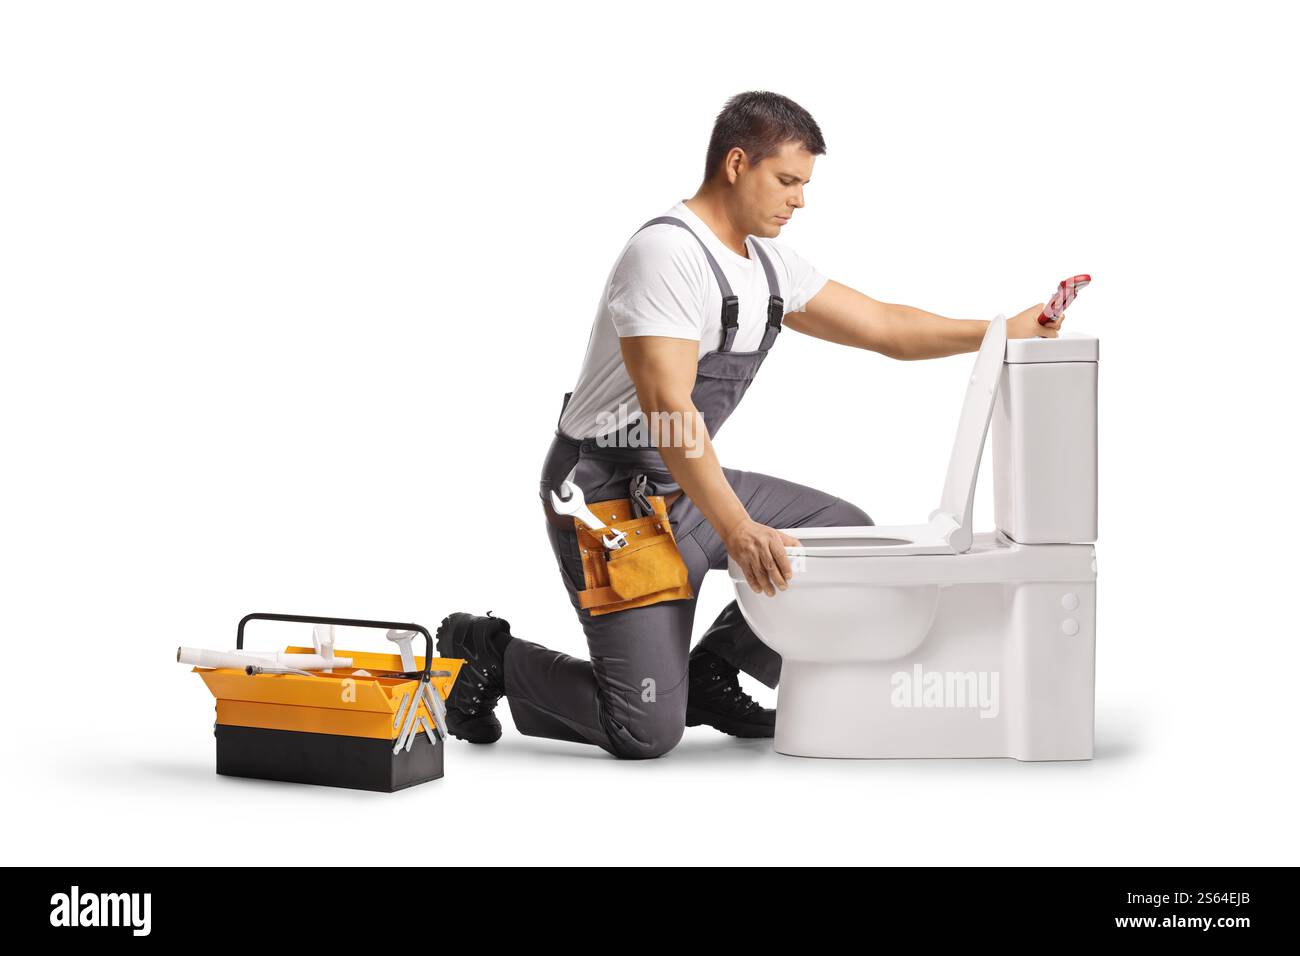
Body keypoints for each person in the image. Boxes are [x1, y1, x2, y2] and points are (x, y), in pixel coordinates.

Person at [436, 90, 1063, 759]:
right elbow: (670, 411)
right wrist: (737, 526)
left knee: (839, 527)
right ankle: (492, 656)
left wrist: (1002, 330)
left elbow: (884, 327)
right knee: (644, 730)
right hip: (608, 499)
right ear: (737, 163)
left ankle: (713, 668)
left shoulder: (768, 263)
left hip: (681, 485)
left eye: (804, 185)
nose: (799, 201)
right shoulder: (665, 257)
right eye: (787, 181)